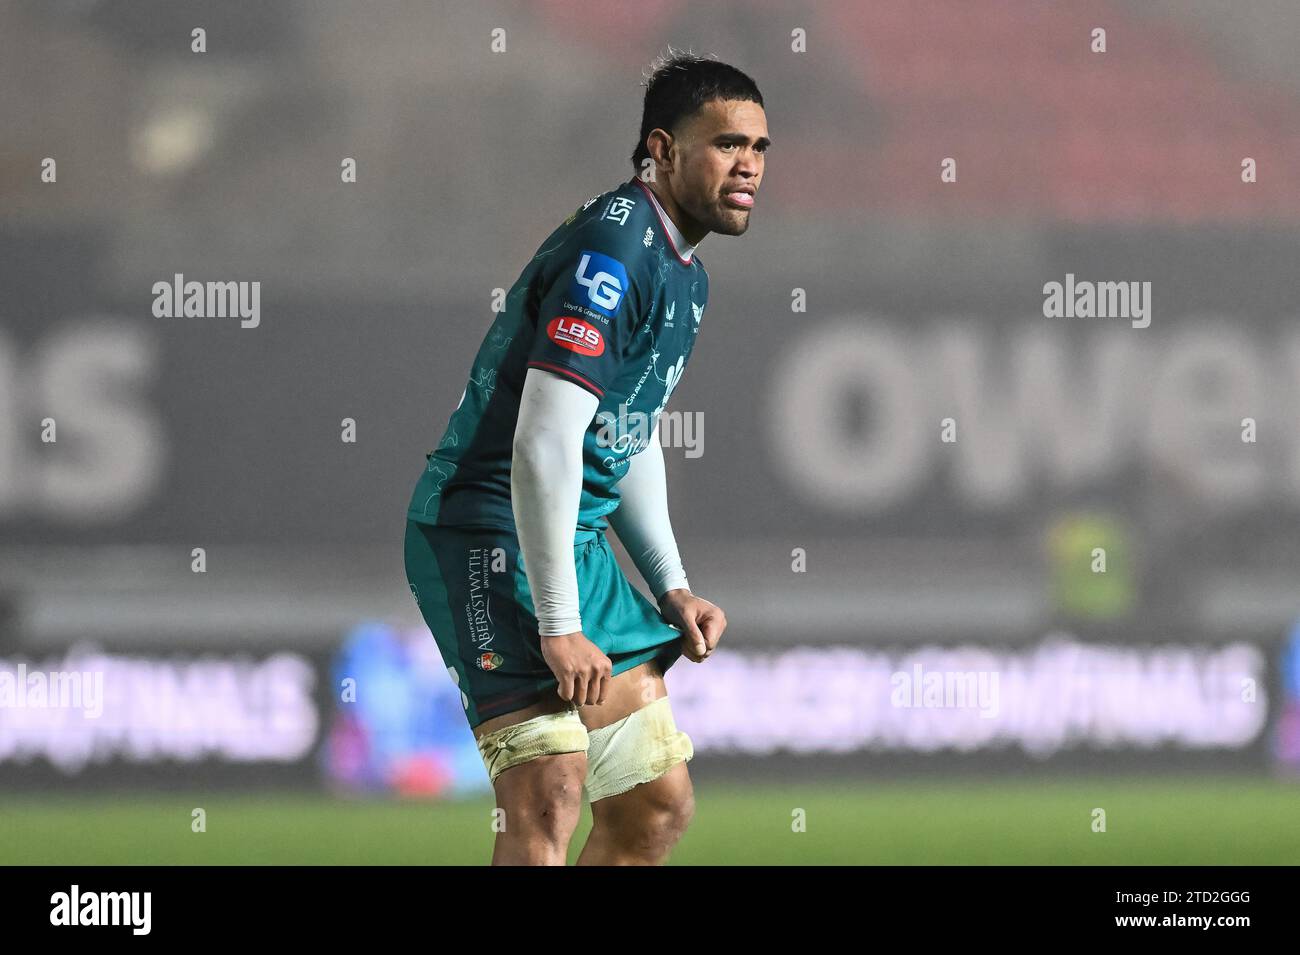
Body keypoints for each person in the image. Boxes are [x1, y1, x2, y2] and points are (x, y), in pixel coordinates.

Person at [403, 50, 769, 865]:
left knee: (653, 806)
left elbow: (625, 433)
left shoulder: (684, 272)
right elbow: (542, 440)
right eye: (726, 144)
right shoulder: (615, 253)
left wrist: (669, 581)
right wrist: (560, 626)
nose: (748, 165)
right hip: (487, 530)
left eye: (759, 148)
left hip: (568, 540)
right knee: (548, 792)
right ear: (662, 149)